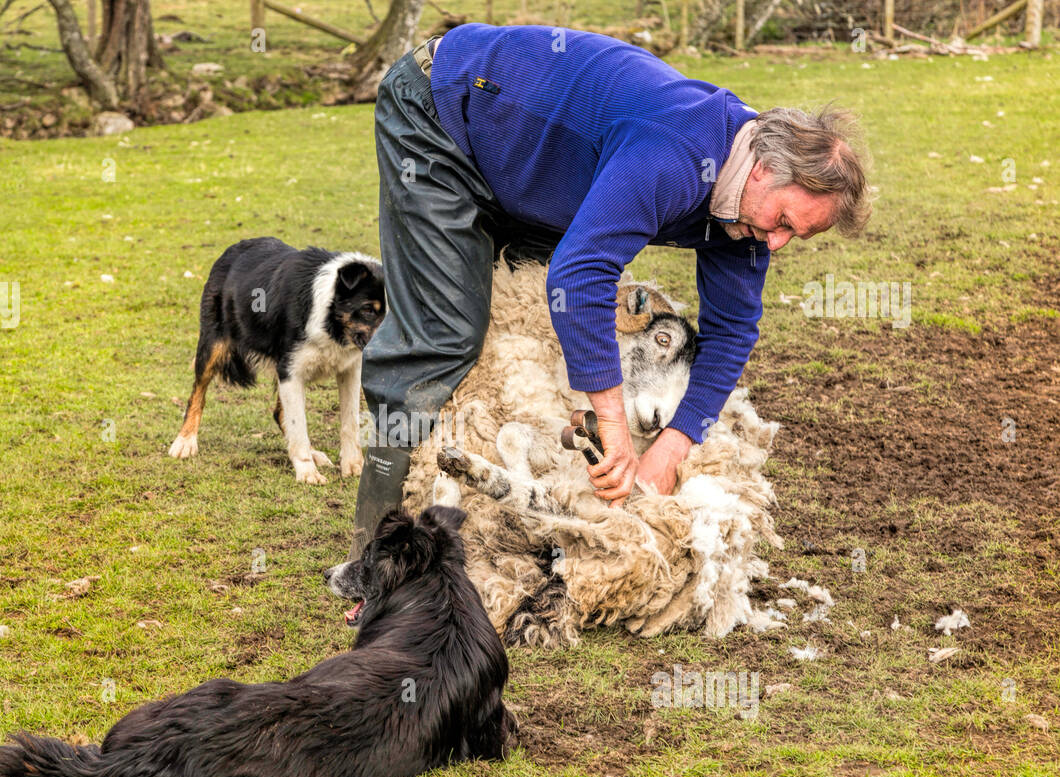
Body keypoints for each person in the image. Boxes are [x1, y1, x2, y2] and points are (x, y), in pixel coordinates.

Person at [350, 23, 870, 558]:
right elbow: (579, 278)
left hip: (529, 161)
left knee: (538, 340)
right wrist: (615, 422)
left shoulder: (747, 215)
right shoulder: (677, 156)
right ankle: (378, 554)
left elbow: (733, 328)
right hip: (445, 110)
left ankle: (492, 519)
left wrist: (675, 442)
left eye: (796, 235)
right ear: (761, 170)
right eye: (783, 219)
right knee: (446, 332)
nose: (777, 244)